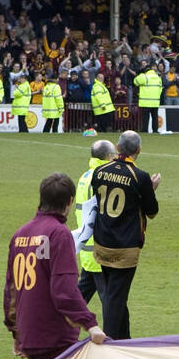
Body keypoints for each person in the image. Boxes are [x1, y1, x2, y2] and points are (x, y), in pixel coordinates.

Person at [4, 174, 107, 359]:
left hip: (29, 333)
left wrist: (17, 332)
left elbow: (11, 289)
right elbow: (64, 289)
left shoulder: (20, 234)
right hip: (54, 336)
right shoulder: (59, 234)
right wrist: (90, 324)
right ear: (70, 201)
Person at [74, 131, 161, 339]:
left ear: (118, 147)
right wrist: (150, 189)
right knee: (115, 297)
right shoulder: (140, 176)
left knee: (115, 296)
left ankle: (124, 339)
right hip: (125, 247)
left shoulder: (99, 172)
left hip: (102, 244)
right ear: (138, 150)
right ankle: (111, 340)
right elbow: (152, 212)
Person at [74, 138, 115, 307]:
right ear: (107, 156)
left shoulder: (85, 176)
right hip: (100, 248)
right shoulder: (102, 177)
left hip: (87, 247)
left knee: (78, 300)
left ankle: (57, 328)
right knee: (111, 303)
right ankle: (115, 334)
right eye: (114, 155)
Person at [133, 62, 163, 134]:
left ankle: (145, 130)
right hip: (155, 101)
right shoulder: (158, 78)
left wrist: (141, 74)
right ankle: (155, 130)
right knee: (154, 117)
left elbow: (135, 81)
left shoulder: (144, 76)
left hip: (145, 101)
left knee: (145, 117)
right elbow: (160, 89)